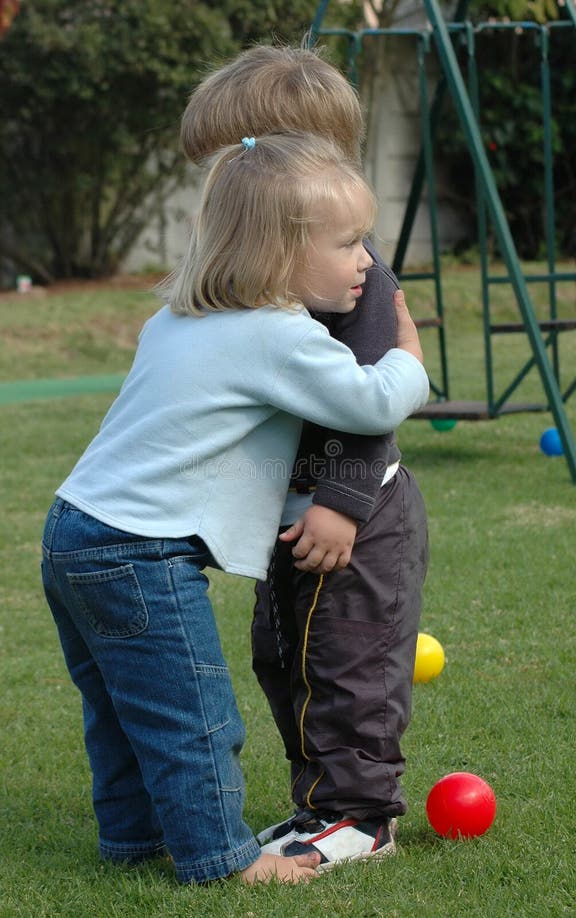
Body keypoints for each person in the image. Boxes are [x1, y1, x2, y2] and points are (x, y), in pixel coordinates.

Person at [40, 131, 429, 885]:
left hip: (72, 532)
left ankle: (133, 839)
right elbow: (369, 400)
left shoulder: (176, 319)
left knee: (123, 709)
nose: (366, 262)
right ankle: (223, 862)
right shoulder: (276, 334)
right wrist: (407, 354)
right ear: (281, 256)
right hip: (139, 551)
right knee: (194, 714)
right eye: (349, 244)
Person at [181, 43, 430, 869]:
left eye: (236, 161)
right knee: (283, 656)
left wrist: (340, 500)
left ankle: (361, 816)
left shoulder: (355, 278)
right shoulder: (263, 281)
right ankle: (315, 805)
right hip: (288, 521)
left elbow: (368, 401)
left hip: (352, 515)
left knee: (348, 662)